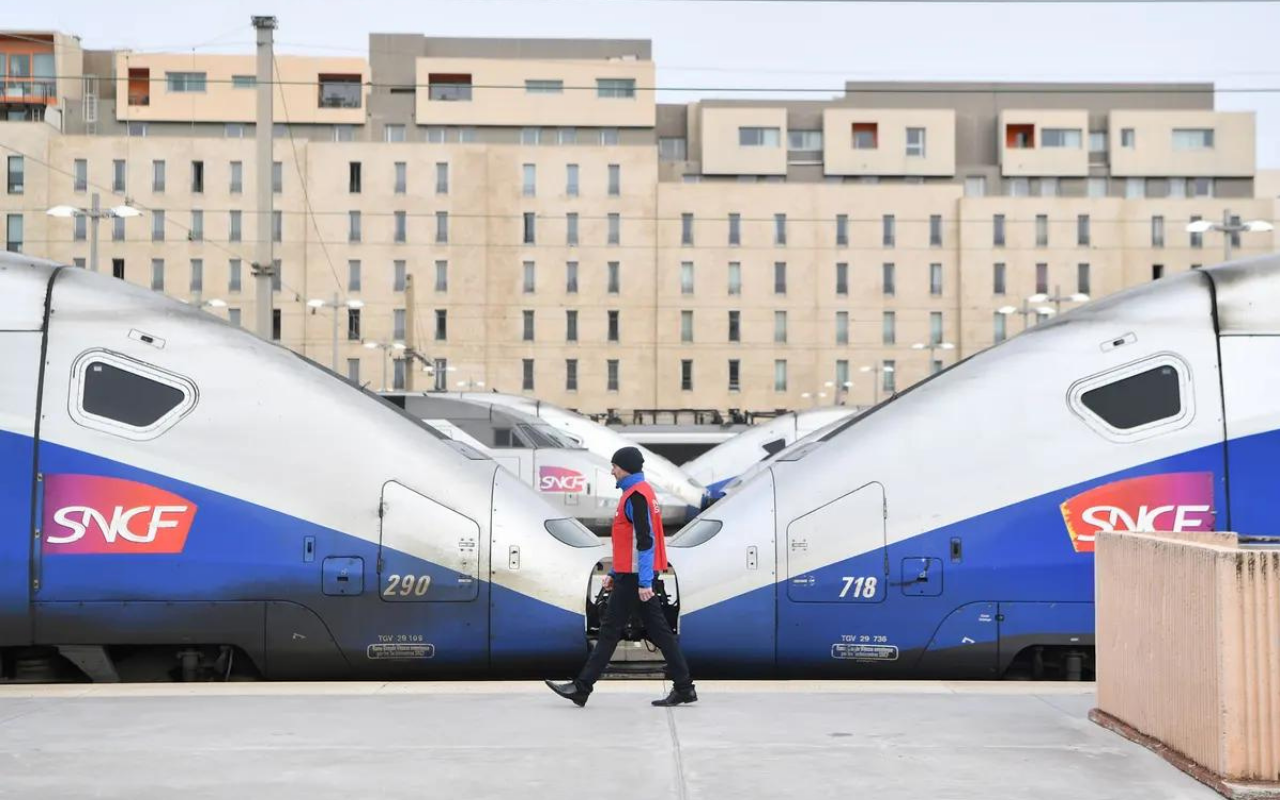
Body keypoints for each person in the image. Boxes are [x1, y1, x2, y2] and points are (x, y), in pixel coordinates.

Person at [545, 446, 697, 707]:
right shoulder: (639, 493)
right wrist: (615, 572)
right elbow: (630, 542)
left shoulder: (636, 496)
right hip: (630, 576)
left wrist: (644, 582)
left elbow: (645, 542)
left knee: (610, 632)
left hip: (635, 579)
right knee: (659, 633)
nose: (612, 471)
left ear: (625, 467)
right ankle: (684, 687)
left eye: (614, 466)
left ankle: (582, 688)